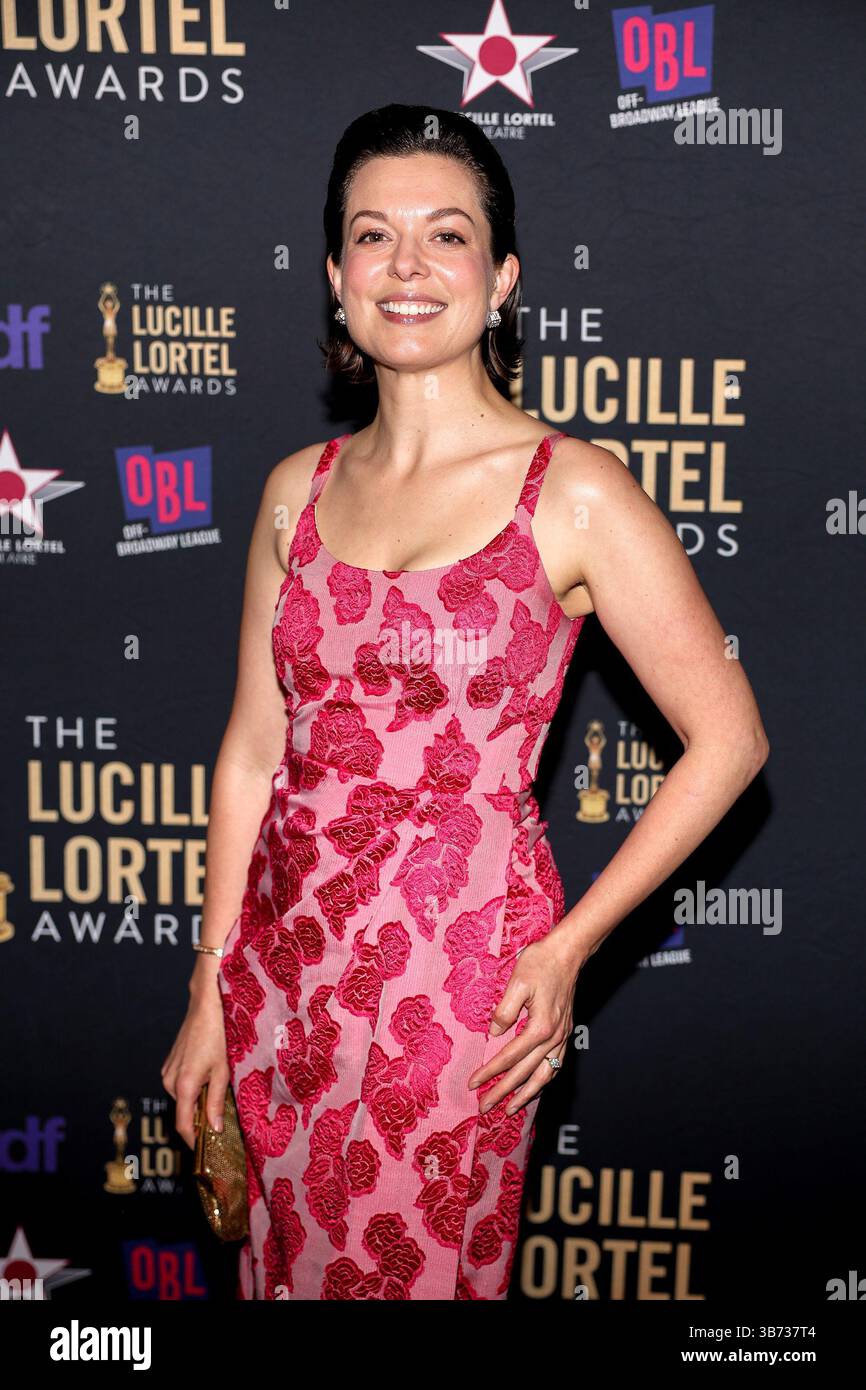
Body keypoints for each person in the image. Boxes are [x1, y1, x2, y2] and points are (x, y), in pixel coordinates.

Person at [161, 104, 769, 1300]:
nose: (405, 266)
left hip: (457, 980)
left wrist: (567, 950)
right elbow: (249, 751)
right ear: (334, 275)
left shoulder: (574, 491)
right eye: (371, 236)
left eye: (446, 236)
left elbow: (729, 738)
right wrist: (210, 981)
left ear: (502, 278)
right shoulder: (296, 490)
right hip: (280, 975)